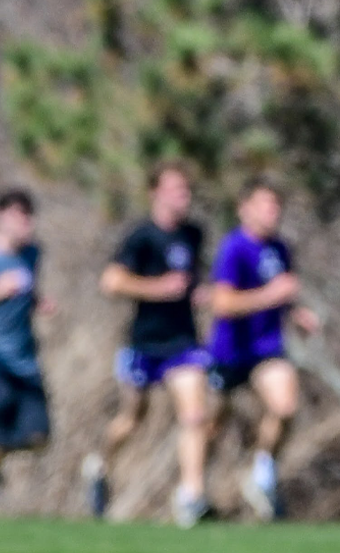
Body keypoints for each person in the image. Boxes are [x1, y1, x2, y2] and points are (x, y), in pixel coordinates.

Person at [82, 160, 212, 527]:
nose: (182, 196)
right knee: (131, 419)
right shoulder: (140, 236)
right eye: (174, 188)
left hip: (183, 341)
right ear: (155, 192)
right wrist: (158, 288)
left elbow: (193, 280)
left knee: (194, 415)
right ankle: (100, 464)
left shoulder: (194, 233)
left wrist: (201, 293)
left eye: (186, 189)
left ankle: (190, 496)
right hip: (144, 342)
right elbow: (111, 282)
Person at [206, 176, 319, 521]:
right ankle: (195, 493)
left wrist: (296, 313)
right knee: (212, 426)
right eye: (265, 204)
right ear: (245, 209)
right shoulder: (234, 248)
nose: (273, 212)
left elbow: (281, 293)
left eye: (276, 205)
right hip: (229, 351)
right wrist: (271, 296)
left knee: (285, 405)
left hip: (266, 347)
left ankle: (262, 471)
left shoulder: (279, 249)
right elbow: (222, 304)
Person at [0, 188, 54, 513]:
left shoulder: (31, 254)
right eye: (17, 214)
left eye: (27, 214)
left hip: (25, 360)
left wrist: (39, 302)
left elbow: (28, 289)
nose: (24, 221)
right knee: (3, 432)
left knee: (39, 436)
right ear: (0, 217)